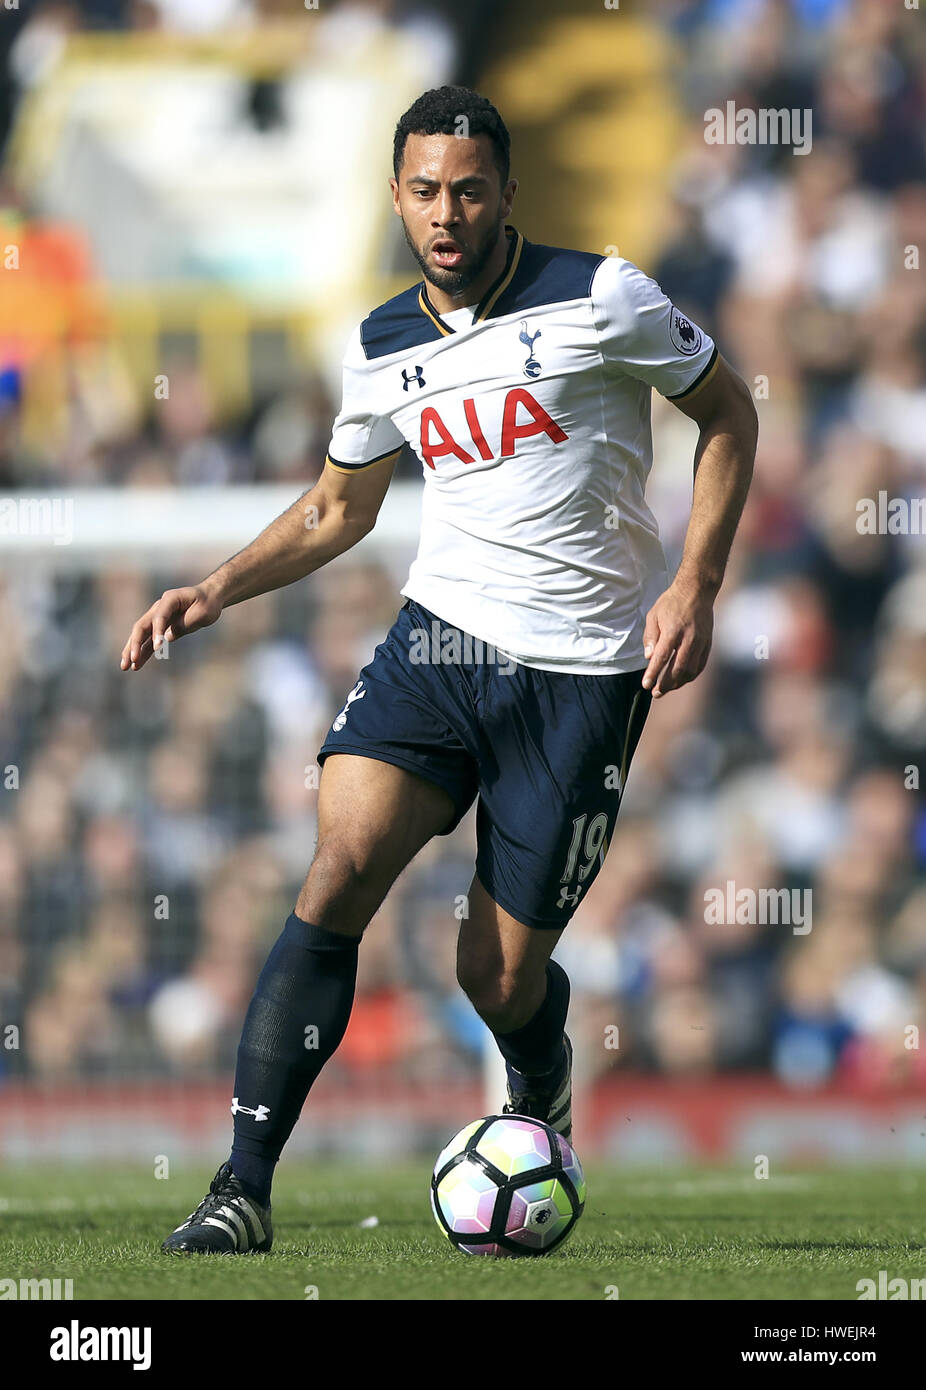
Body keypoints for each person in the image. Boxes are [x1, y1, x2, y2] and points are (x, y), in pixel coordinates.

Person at [120, 86, 758, 1254]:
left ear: (507, 193)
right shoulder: (377, 344)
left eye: (468, 189)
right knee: (338, 866)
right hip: (437, 643)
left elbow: (727, 413)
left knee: (496, 975)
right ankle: (240, 1188)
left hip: (578, 672)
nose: (445, 213)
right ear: (398, 199)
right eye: (423, 191)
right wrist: (212, 586)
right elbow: (333, 510)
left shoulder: (601, 294)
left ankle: (536, 1071)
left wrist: (696, 581)